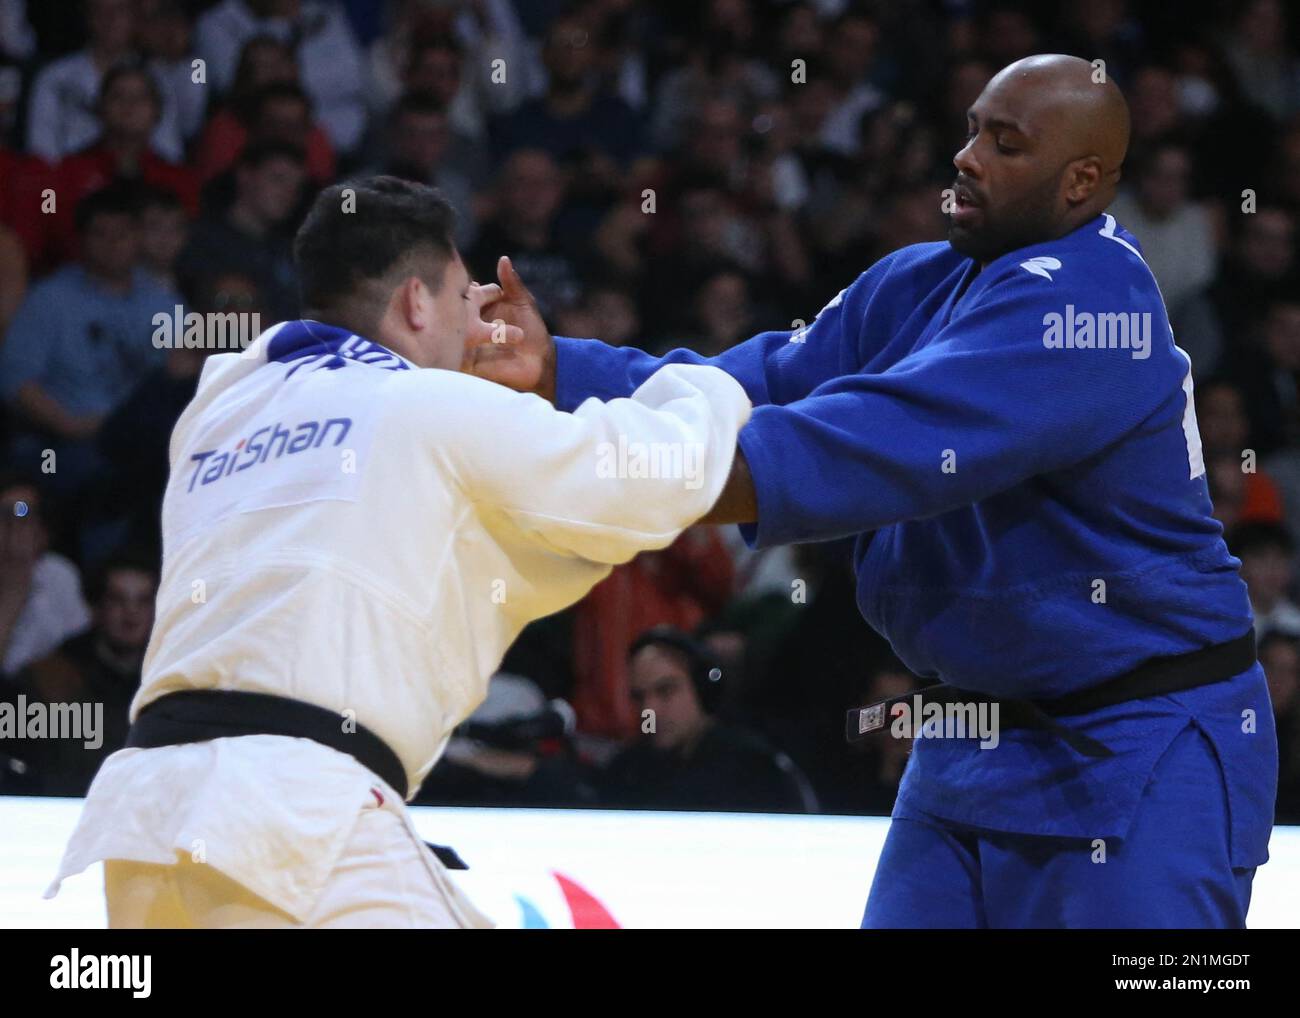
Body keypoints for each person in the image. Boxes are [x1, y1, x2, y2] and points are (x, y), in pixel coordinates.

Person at [469, 54, 1278, 929]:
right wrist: (559, 373)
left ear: (1082, 181)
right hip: (971, 736)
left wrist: (619, 471)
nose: (967, 158)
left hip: (1142, 742)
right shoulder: (919, 281)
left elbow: (863, 448)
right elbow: (745, 385)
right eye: (972, 129)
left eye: (1005, 145)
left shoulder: (1090, 313)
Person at [46, 176, 751, 929]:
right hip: (298, 816)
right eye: (459, 299)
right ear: (416, 303)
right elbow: (649, 477)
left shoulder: (222, 407)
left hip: (144, 817)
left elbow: (447, 528)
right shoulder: (432, 410)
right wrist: (706, 384)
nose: (472, 322)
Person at [598, 626, 815, 813]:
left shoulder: (757, 769)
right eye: (639, 696)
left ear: (703, 689)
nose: (649, 710)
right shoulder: (625, 772)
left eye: (665, 691)